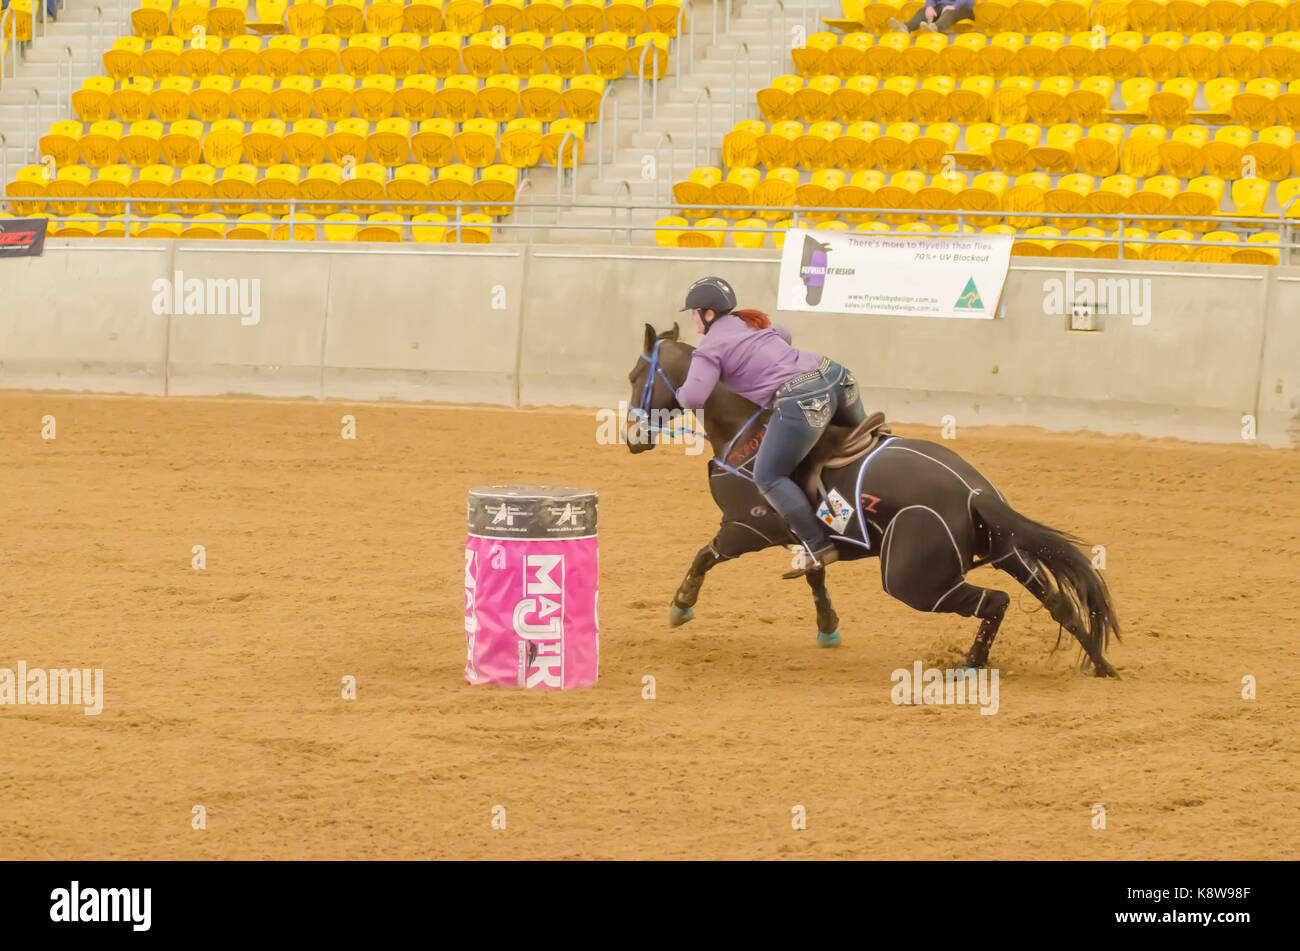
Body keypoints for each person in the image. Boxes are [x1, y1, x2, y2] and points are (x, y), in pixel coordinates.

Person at [671, 277, 868, 578]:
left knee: (768, 476)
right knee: (865, 444)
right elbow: (784, 334)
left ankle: (818, 546)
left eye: (694, 312)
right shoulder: (750, 323)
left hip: (804, 399)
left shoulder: (709, 348)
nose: (692, 317)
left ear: (708, 313)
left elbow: (695, 396)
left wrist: (678, 393)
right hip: (838, 376)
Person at [889, 0, 974, 34]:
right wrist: (929, 6)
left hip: (963, 9)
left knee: (950, 11)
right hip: (942, 8)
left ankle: (935, 27)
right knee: (924, 10)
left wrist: (955, 6)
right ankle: (906, 27)